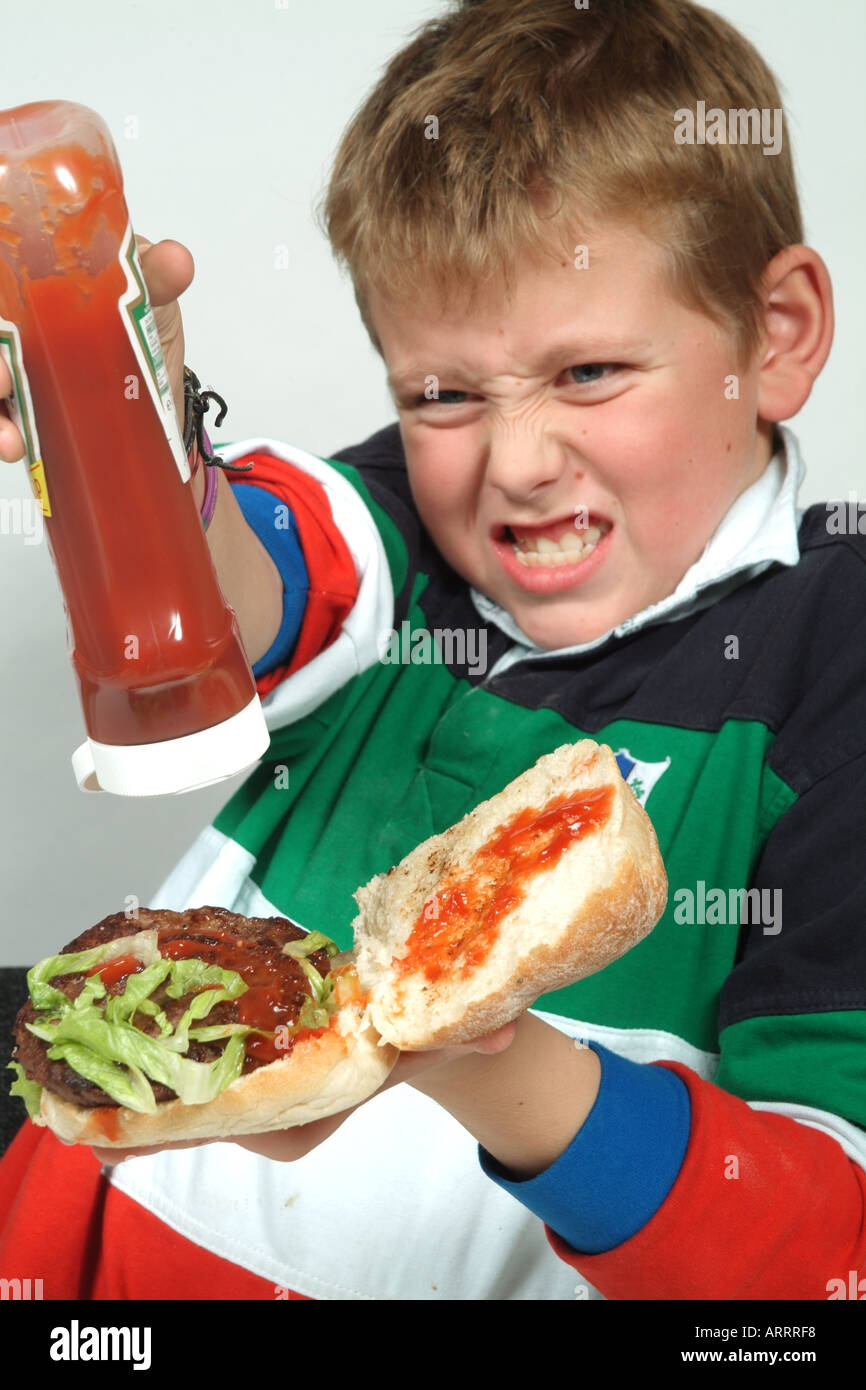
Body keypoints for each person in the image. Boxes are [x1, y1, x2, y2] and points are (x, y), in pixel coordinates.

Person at [1, 0, 864, 1301]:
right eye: (442, 393)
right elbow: (234, 598)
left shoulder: (832, 669)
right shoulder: (400, 524)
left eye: (586, 373)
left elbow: (817, 1262)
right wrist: (137, 429)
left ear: (778, 333)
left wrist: (460, 1039)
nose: (512, 466)